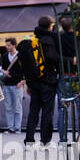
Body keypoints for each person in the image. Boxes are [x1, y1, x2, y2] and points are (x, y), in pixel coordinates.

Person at [11, 16, 62, 147]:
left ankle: (29, 140)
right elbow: (53, 58)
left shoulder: (33, 39)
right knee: (47, 111)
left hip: (33, 81)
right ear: (50, 25)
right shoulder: (48, 39)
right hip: (48, 80)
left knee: (33, 111)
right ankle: (45, 141)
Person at [0, 37, 23, 133]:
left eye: (9, 45)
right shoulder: (5, 56)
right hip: (7, 84)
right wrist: (4, 72)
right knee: (8, 107)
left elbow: (25, 70)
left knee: (17, 107)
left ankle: (17, 127)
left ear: (14, 45)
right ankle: (10, 127)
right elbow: (2, 68)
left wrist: (22, 81)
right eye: (6, 45)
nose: (7, 47)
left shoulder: (20, 56)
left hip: (17, 84)